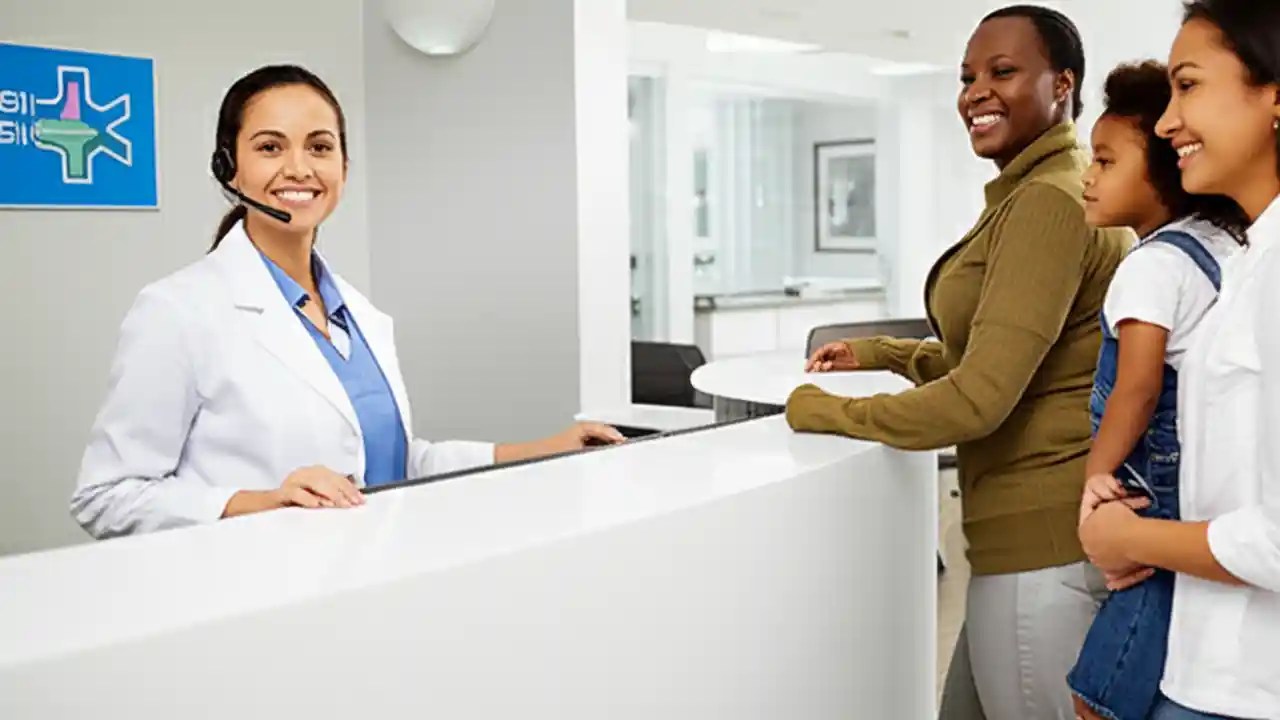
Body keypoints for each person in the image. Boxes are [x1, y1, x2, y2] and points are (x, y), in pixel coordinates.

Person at [71, 65, 622, 539]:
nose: (299, 168)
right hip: (251, 601)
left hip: (365, 591)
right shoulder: (177, 311)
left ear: (344, 168)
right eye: (269, 147)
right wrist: (262, 502)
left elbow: (397, 464)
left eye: (319, 146)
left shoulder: (362, 316)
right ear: (228, 168)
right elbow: (106, 496)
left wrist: (550, 448)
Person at [787, 5, 1131, 718]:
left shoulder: (1047, 201)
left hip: (1039, 552)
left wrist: (823, 412)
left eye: (1003, 72)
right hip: (1028, 550)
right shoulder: (1040, 190)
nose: (976, 91)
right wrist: (883, 353)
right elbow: (1006, 349)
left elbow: (980, 396)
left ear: (1062, 84)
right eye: (968, 75)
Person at [1080, 1, 1280, 718]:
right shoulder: (1244, 265)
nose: (1167, 123)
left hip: (1246, 687)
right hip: (1208, 665)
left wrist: (1124, 533)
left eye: (1188, 86)